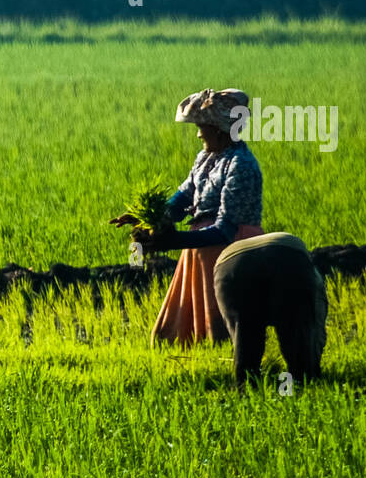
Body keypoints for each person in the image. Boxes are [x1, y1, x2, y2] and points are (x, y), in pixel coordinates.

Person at [111, 87, 264, 346]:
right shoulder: (206, 158)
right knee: (174, 334)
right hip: (198, 249)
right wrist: (148, 219)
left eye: (202, 126)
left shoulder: (241, 165)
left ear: (218, 129)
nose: (198, 133)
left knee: (221, 329)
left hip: (227, 252)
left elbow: (225, 229)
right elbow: (183, 198)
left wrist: (171, 241)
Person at [213, 232, 328, 386]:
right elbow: (316, 317)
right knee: (296, 332)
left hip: (229, 266)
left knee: (245, 334)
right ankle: (298, 382)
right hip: (286, 257)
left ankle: (246, 387)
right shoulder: (309, 267)